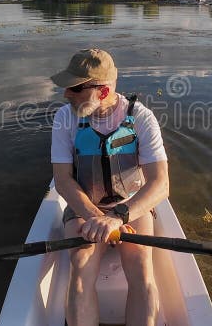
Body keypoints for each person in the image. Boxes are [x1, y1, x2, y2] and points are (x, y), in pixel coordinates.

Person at [50, 48, 169, 326]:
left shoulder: (142, 118)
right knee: (81, 265)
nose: (66, 94)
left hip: (130, 207)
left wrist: (117, 217)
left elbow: (160, 184)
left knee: (141, 267)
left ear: (103, 92)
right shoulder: (65, 118)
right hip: (85, 207)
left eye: (75, 88)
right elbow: (63, 180)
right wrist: (98, 219)